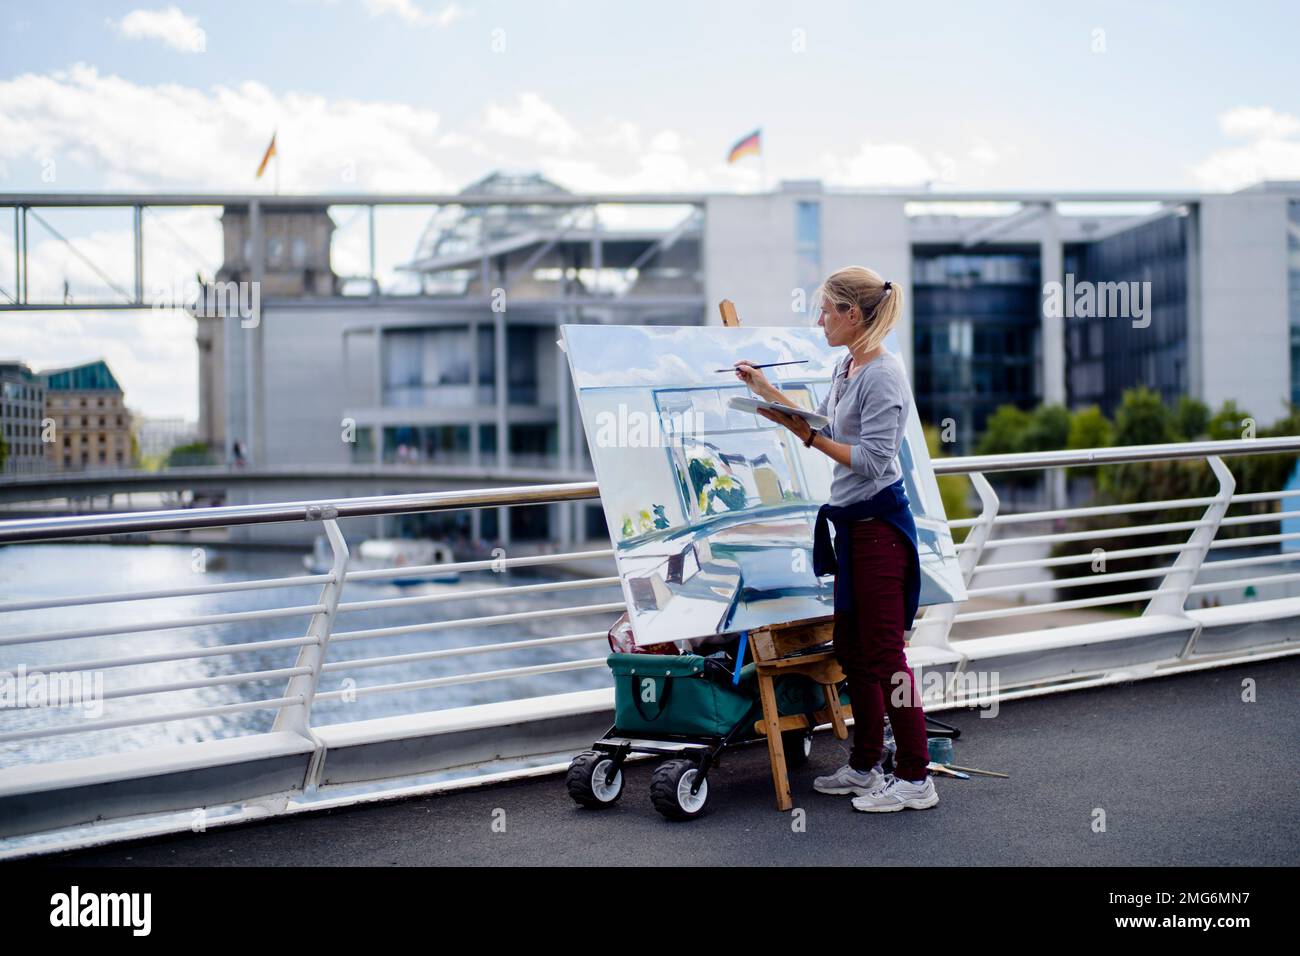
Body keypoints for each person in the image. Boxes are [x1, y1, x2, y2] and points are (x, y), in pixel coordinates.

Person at [733, 265, 938, 813]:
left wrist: (806, 437)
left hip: (879, 531)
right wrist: (765, 390)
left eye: (826, 309)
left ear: (853, 314)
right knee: (852, 649)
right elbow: (822, 423)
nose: (818, 319)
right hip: (852, 529)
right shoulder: (848, 365)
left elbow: (873, 461)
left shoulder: (883, 376)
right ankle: (868, 765)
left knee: (887, 656)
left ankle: (916, 776)